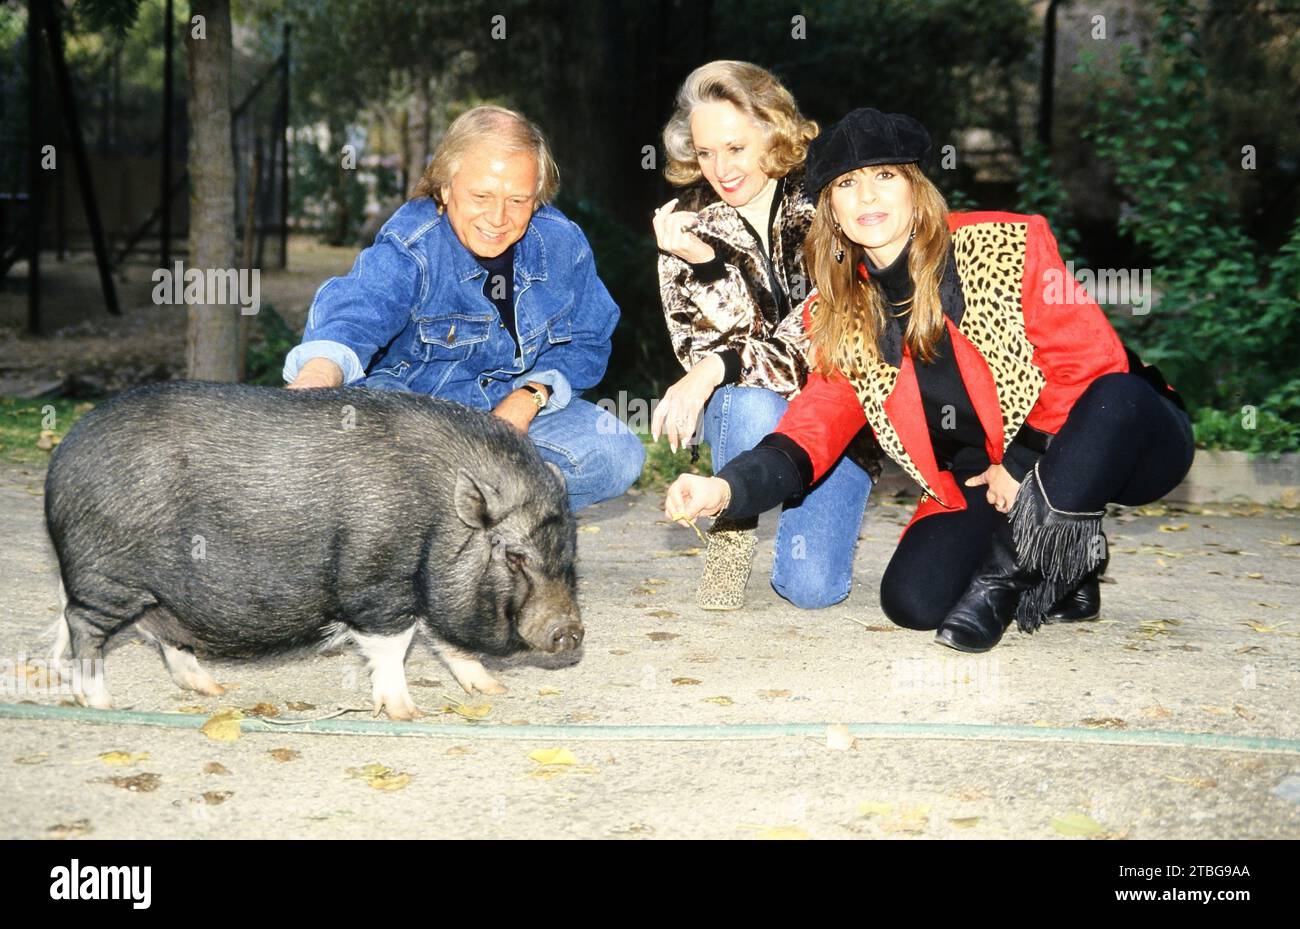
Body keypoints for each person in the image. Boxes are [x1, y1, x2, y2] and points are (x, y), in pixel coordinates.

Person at [664, 107, 1194, 651]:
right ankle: (1068, 566)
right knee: (913, 602)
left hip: (1119, 439)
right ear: (832, 212)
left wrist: (1022, 461)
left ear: (915, 189)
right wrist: (724, 488)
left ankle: (1007, 577)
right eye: (848, 184)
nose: (868, 197)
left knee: (1117, 395)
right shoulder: (841, 314)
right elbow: (810, 432)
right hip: (977, 475)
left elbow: (1093, 361)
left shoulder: (1006, 246)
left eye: (885, 176)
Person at [284, 105, 644, 512]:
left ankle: (498, 504)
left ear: (538, 196)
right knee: (375, 455)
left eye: (517, 200)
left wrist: (529, 397)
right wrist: (316, 377)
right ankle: (473, 503)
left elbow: (588, 340)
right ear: (445, 187)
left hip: (507, 417)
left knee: (617, 454)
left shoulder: (562, 244)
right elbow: (355, 311)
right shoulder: (411, 247)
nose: (497, 218)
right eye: (481, 196)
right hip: (413, 418)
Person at [652, 60, 878, 611]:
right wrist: (704, 266)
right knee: (747, 399)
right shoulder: (685, 225)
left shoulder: (829, 199)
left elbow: (825, 329)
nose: (720, 169)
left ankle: (794, 529)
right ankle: (731, 531)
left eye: (735, 148)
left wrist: (712, 369)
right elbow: (698, 348)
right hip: (752, 413)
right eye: (705, 153)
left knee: (812, 591)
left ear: (772, 132)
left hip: (836, 416)